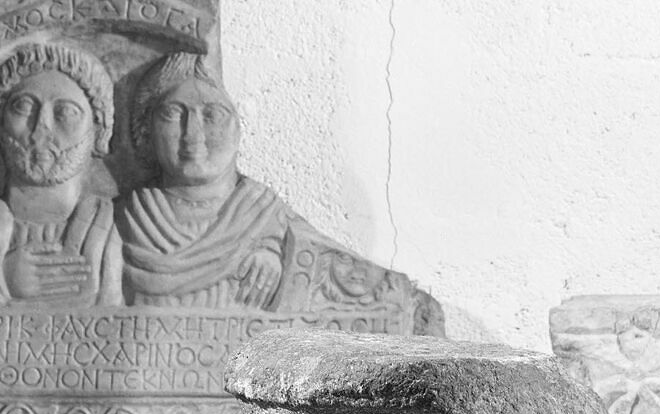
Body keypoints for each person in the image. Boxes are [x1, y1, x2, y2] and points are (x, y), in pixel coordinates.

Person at [121, 51, 413, 316]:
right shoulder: (121, 219)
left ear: (238, 127)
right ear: (145, 129)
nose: (193, 134)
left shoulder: (267, 216)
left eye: (212, 114)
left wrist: (282, 260)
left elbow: (377, 300)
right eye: (173, 113)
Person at [0, 42, 121, 306]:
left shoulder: (112, 227)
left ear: (99, 130)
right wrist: (5, 278)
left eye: (65, 112)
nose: (41, 128)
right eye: (23, 107)